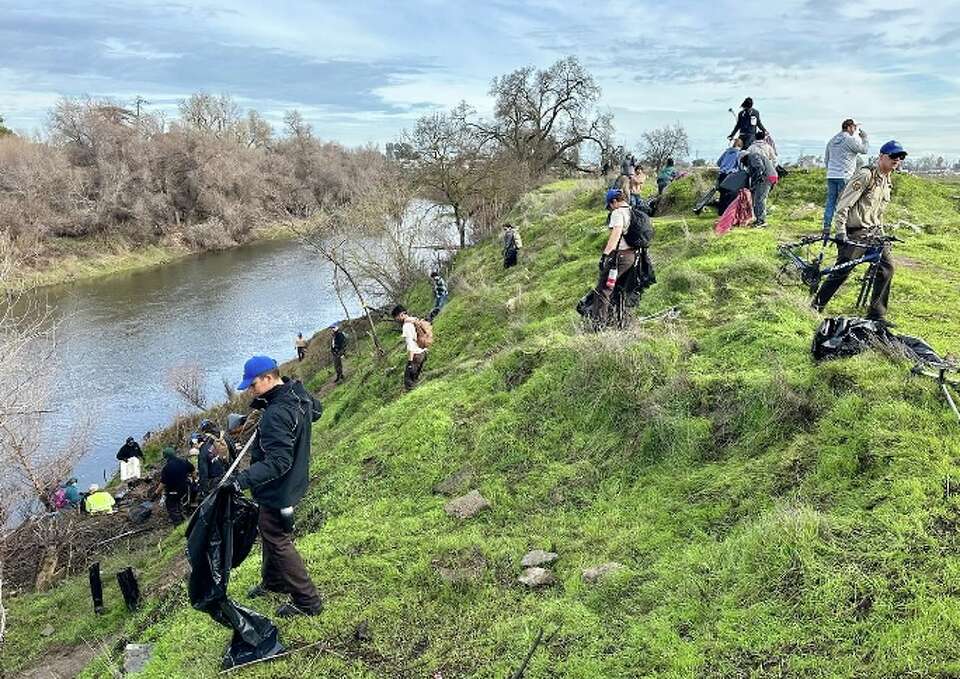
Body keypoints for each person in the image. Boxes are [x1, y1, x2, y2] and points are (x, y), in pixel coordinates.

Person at [234, 355, 324, 618]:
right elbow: (317, 411)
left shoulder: (276, 413)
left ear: (269, 378)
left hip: (279, 486)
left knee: (276, 538)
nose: (251, 390)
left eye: (253, 385)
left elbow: (278, 463)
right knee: (267, 528)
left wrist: (240, 480)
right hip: (295, 480)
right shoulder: (297, 395)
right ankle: (273, 582)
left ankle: (307, 601)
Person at [812, 141, 907, 324]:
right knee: (843, 269)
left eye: (900, 157)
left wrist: (881, 232)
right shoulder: (865, 175)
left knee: (887, 267)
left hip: (874, 232)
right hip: (856, 231)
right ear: (881, 156)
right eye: (893, 156)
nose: (897, 160)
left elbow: (877, 212)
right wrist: (840, 231)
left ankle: (877, 315)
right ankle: (816, 306)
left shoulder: (887, 179)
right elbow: (843, 205)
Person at [591, 188, 637, 325]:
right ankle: (619, 320)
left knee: (603, 289)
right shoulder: (631, 210)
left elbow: (616, 234)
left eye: (610, 206)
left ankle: (599, 325)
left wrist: (605, 255)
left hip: (619, 258)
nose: (610, 209)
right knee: (619, 288)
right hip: (632, 256)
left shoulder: (618, 213)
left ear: (614, 202)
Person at [823, 119, 869, 232]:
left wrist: (831, 170)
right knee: (844, 203)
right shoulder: (849, 140)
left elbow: (826, 159)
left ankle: (827, 227)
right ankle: (842, 228)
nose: (854, 130)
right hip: (844, 175)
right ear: (848, 127)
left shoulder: (832, 140)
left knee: (831, 201)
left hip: (831, 175)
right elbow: (864, 150)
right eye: (854, 127)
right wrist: (864, 138)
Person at [392, 306, 428, 390]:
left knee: (408, 382)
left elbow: (410, 345)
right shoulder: (414, 319)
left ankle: (416, 396)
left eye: (396, 318)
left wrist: (410, 362)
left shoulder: (406, 326)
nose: (396, 320)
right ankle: (419, 392)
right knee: (415, 377)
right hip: (423, 352)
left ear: (401, 315)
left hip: (416, 355)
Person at [742, 147, 777, 227]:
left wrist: (757, 179)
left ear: (743, 157)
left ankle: (761, 221)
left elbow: (759, 167)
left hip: (765, 178)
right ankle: (758, 218)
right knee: (756, 198)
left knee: (759, 199)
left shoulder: (752, 156)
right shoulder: (753, 158)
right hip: (770, 176)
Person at [159, 446, 194, 525]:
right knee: (178, 503)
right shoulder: (183, 461)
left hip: (172, 491)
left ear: (166, 457)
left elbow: (162, 483)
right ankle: (183, 521)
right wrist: (193, 479)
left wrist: (156, 493)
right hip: (184, 490)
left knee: (172, 507)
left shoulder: (167, 468)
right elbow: (193, 469)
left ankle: (178, 525)